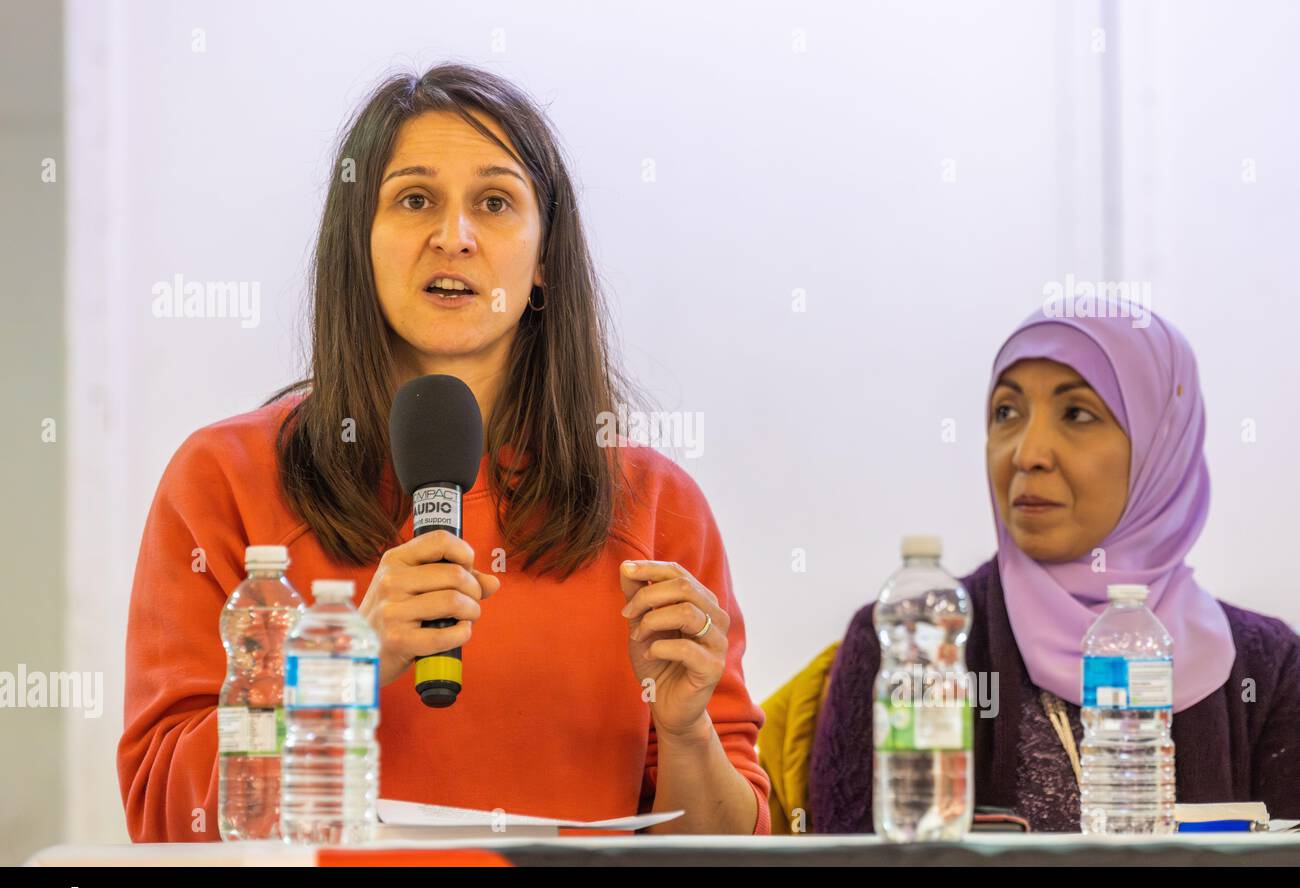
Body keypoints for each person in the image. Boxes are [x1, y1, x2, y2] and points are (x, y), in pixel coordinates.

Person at [117, 64, 769, 841]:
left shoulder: (656, 503)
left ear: (545, 259)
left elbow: (733, 847)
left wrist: (688, 731)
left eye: (494, 203)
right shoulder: (223, 479)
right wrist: (344, 669)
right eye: (414, 199)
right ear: (358, 245)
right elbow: (166, 817)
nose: (453, 236)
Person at [799, 301, 1300, 833]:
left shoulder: (1268, 669)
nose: (1027, 452)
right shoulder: (916, 641)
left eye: (1077, 414)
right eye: (1006, 413)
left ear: (1162, 444)